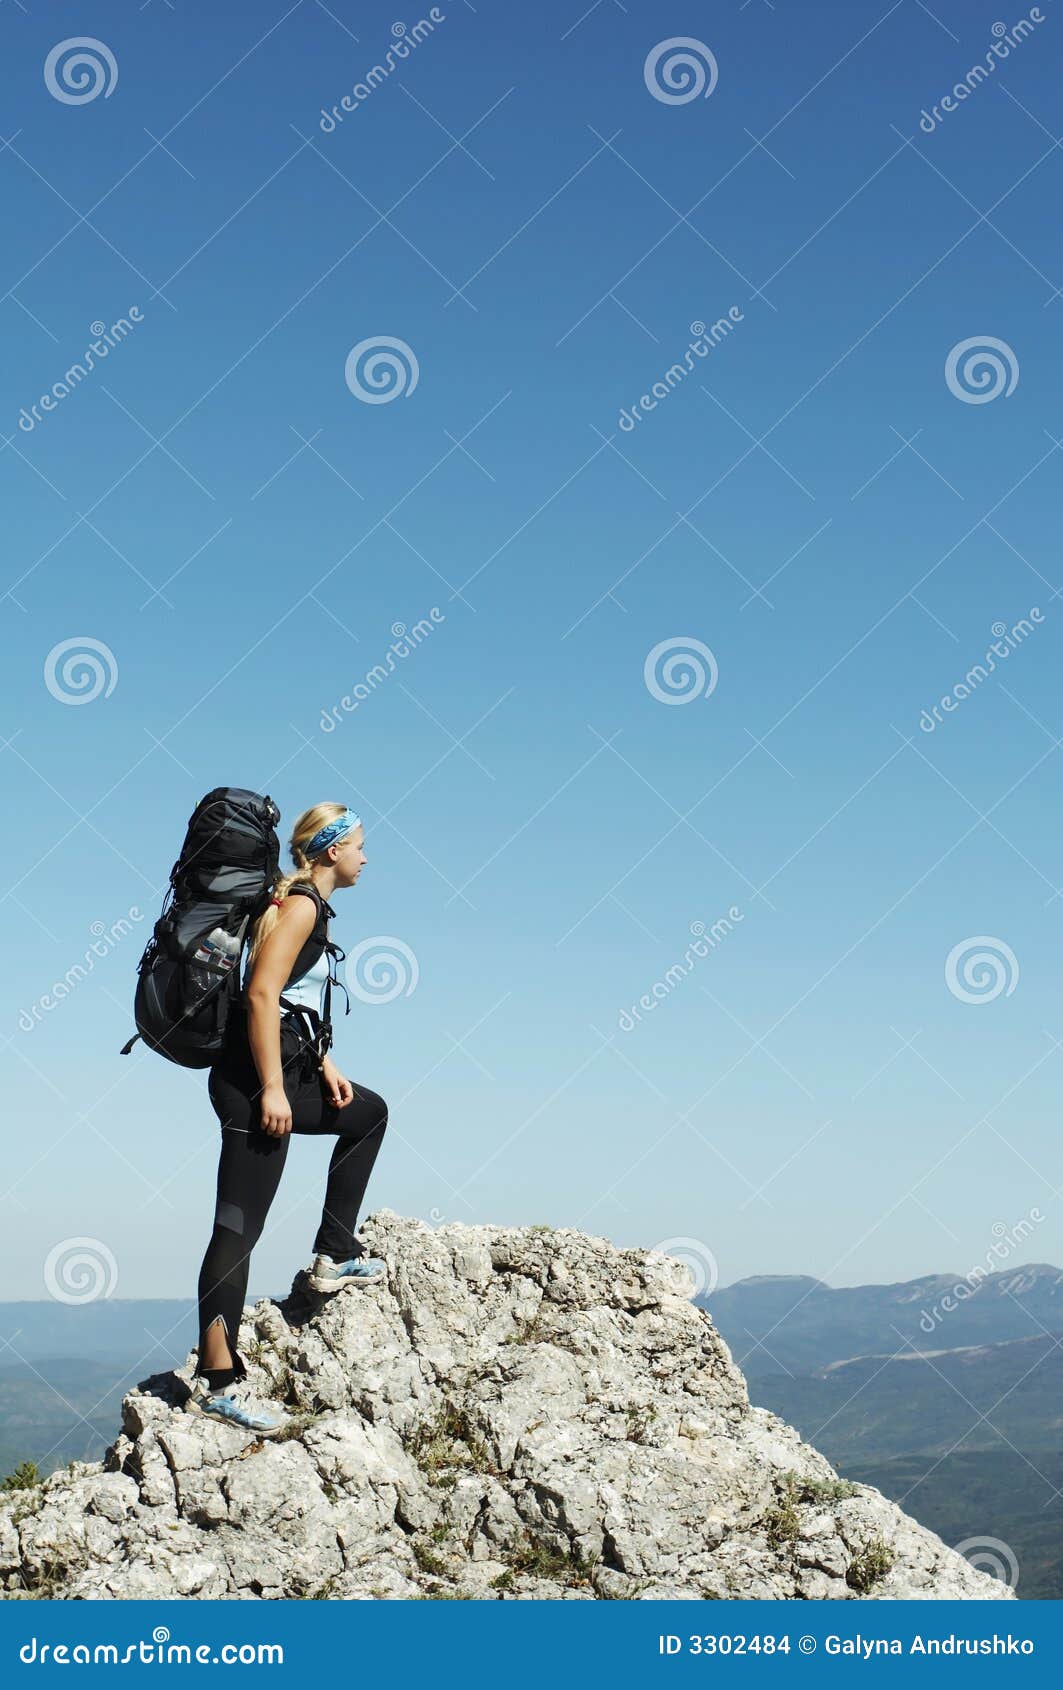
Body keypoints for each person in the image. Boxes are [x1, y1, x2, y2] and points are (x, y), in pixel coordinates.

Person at [185, 803, 389, 1435]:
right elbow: (260, 994)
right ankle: (217, 1383)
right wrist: (273, 1089)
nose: (365, 857)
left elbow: (291, 1002)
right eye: (359, 845)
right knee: (237, 1228)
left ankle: (335, 1253)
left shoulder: (305, 905)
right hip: (253, 1087)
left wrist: (324, 1063)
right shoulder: (301, 906)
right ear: (331, 850)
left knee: (366, 1114)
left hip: (285, 1074)